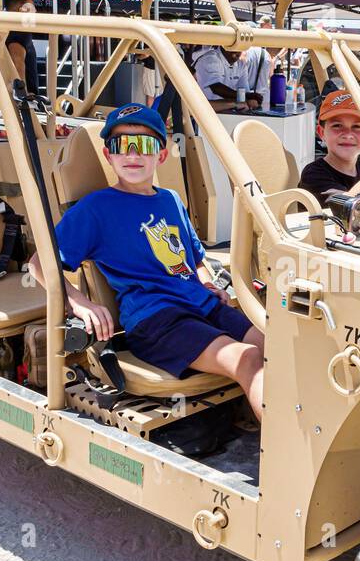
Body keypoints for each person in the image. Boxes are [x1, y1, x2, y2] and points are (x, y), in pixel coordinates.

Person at [25, 103, 264, 420]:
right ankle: (288, 460)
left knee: (274, 343)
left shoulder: (171, 200)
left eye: (146, 145)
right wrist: (80, 303)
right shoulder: (96, 208)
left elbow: (195, 259)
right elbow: (38, 264)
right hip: (157, 320)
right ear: (109, 155)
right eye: (122, 145)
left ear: (161, 155)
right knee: (247, 358)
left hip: (202, 306)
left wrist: (207, 282)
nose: (133, 155)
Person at [297, 89, 360, 203]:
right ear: (321, 132)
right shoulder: (312, 175)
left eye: (357, 127)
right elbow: (348, 207)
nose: (348, 134)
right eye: (337, 125)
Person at [192, 44, 258, 110]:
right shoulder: (210, 59)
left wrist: (252, 100)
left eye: (239, 50)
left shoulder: (241, 65)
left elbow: (243, 92)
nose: (236, 52)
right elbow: (216, 88)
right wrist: (247, 96)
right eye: (233, 49)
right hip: (203, 109)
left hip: (227, 109)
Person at [3, 0, 40, 97]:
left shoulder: (9, 30)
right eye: (31, 2)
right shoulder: (18, 32)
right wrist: (24, 95)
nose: (35, 8)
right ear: (22, 8)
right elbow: (18, 63)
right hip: (25, 98)